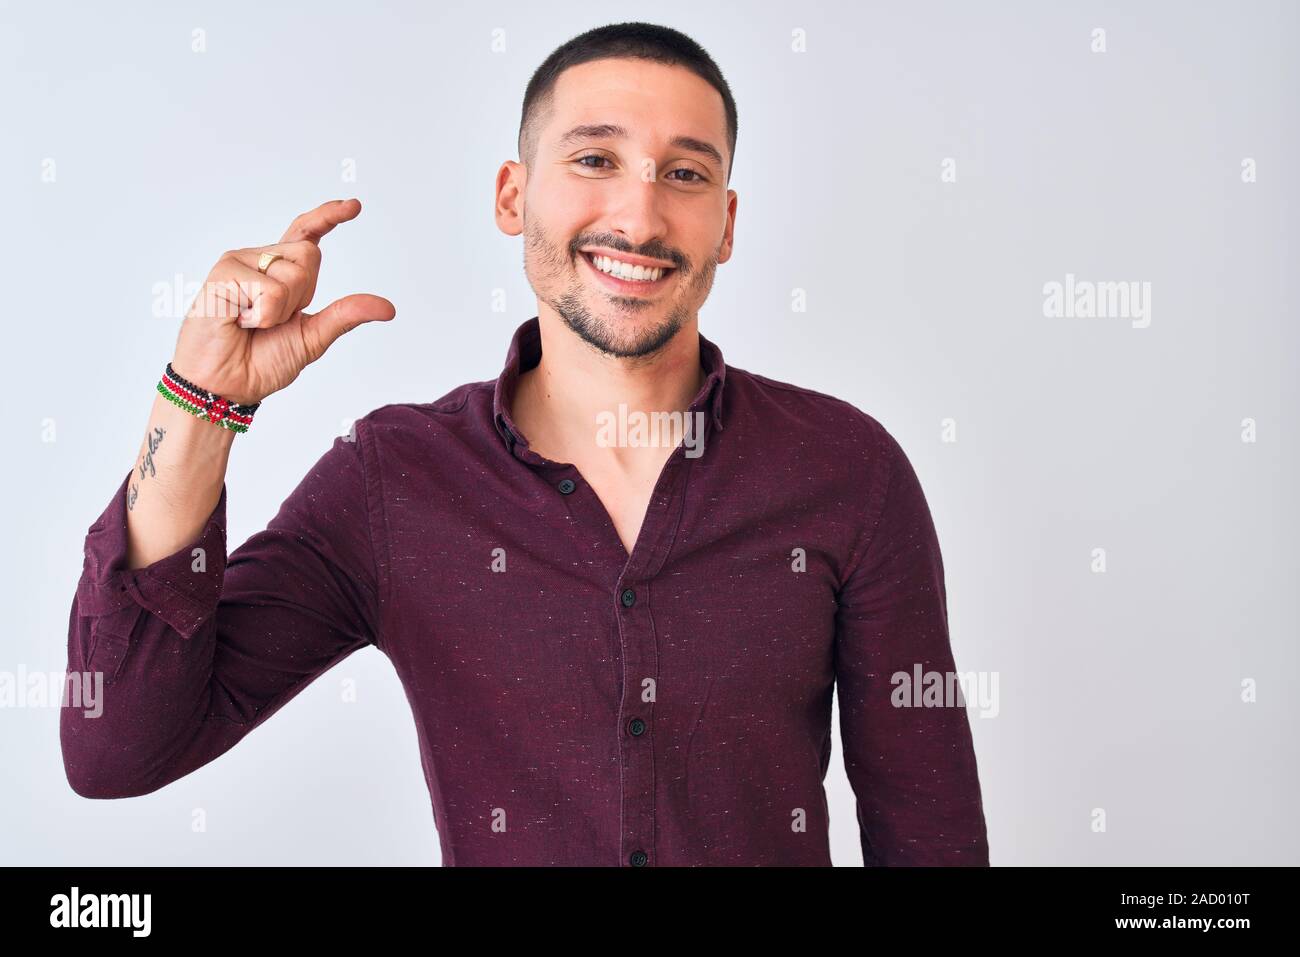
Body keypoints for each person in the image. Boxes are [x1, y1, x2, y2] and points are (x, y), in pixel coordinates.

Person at [62, 21, 990, 867]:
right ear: (513, 196)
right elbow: (120, 749)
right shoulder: (396, 480)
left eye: (686, 173)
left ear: (728, 224)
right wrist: (199, 400)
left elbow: (929, 830)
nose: (639, 217)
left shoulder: (848, 472)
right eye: (594, 158)